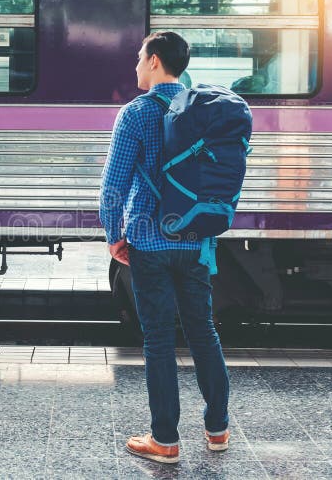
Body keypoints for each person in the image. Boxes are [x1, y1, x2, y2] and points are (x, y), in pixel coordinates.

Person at [99, 31, 231, 464]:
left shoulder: (136, 113)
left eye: (140, 58)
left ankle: (165, 441)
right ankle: (217, 430)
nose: (136, 66)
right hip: (195, 239)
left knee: (158, 340)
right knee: (203, 333)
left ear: (155, 61)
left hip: (148, 241)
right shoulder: (204, 110)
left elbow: (113, 185)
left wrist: (113, 234)